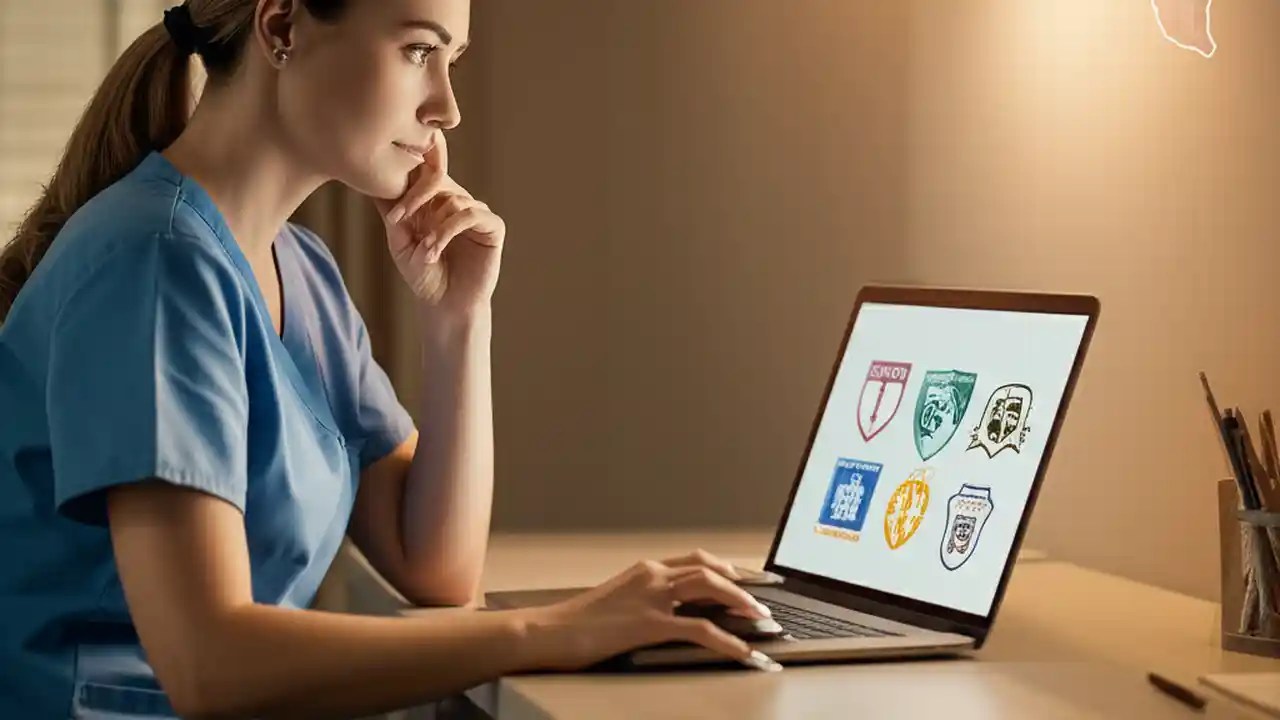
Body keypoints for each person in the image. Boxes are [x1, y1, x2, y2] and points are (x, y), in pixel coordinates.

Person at [0, 1, 779, 717]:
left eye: (453, 61)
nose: (446, 106)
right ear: (281, 29)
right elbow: (210, 664)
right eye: (418, 50)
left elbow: (435, 569)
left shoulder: (296, 266)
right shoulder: (159, 263)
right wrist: (559, 629)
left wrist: (457, 320)